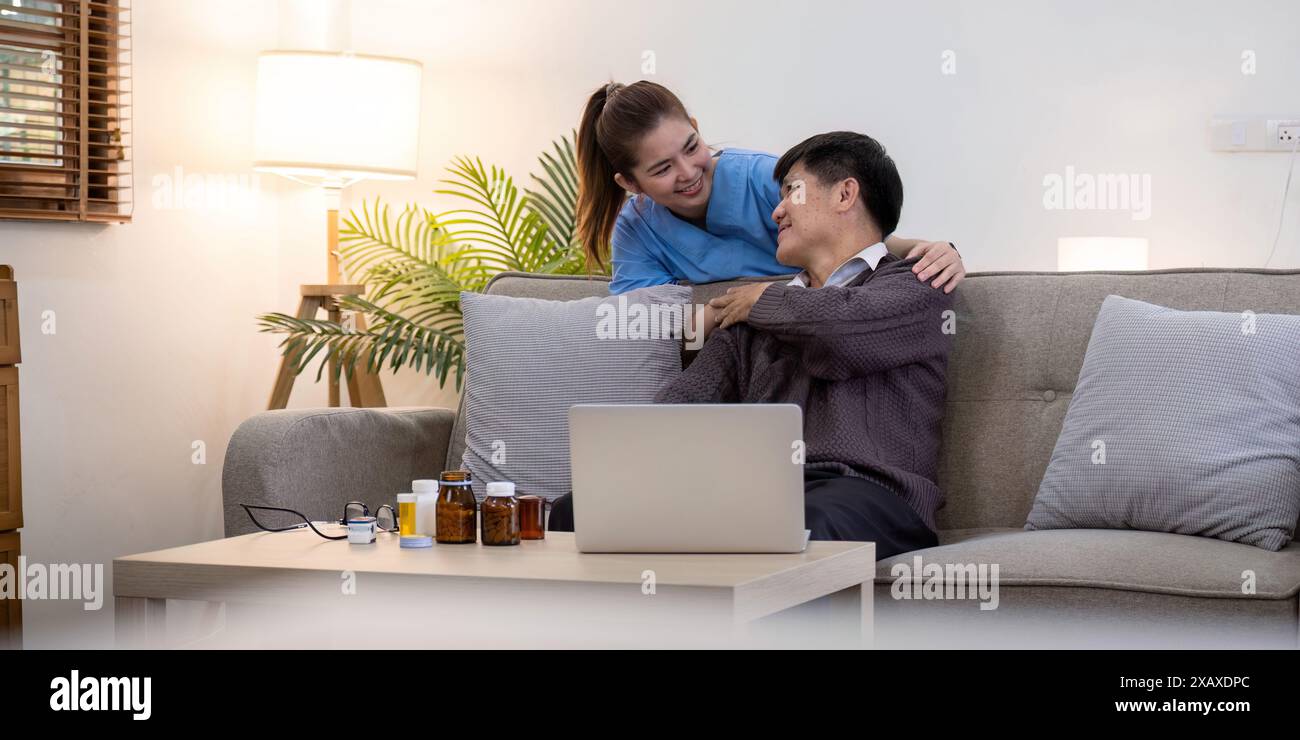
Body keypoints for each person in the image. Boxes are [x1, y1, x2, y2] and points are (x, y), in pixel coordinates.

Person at [550, 131, 953, 559]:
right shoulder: (751, 312)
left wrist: (763, 300)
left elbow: (840, 335)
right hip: (761, 492)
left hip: (872, 494)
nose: (776, 211)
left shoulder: (917, 285)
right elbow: (685, 404)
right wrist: (623, 463)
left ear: (845, 194)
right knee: (575, 513)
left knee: (802, 525)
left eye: (791, 193)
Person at [575, 80, 966, 306]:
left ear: (696, 126)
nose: (688, 172)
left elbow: (862, 239)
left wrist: (936, 248)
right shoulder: (636, 231)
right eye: (661, 169)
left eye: (692, 146)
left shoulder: (765, 177)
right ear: (629, 183)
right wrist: (744, 309)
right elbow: (647, 324)